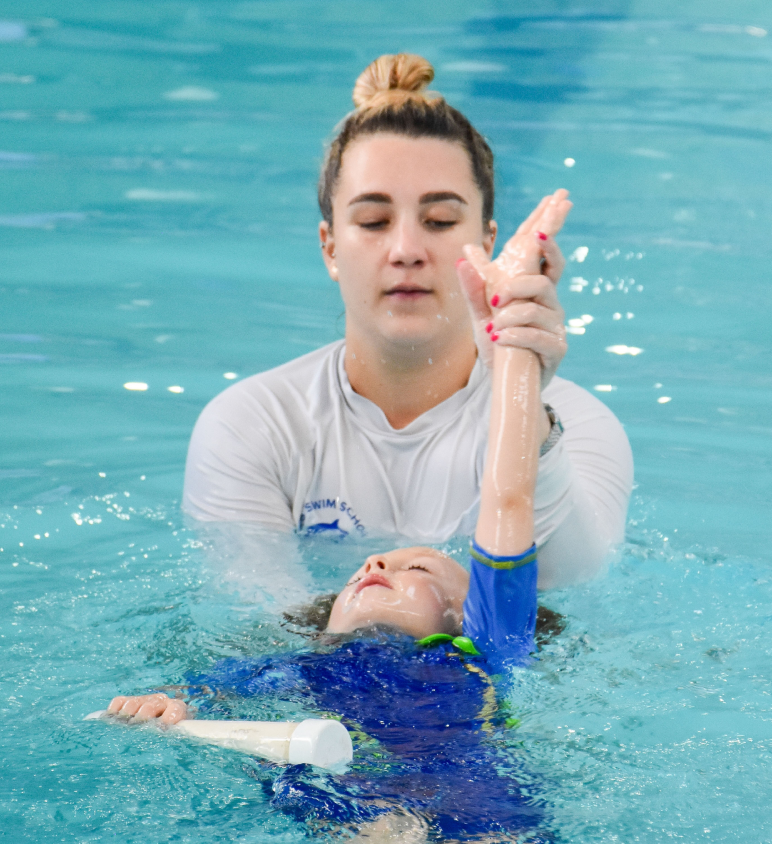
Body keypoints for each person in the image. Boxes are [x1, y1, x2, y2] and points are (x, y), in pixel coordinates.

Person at [106, 196, 568, 842]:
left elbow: (509, 496)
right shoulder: (296, 666)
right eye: (375, 563)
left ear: (467, 609)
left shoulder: (486, 647)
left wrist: (512, 349)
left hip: (480, 810)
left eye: (420, 568)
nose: (377, 562)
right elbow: (204, 697)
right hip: (345, 803)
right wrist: (167, 706)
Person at [183, 53, 633, 589]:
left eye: (439, 221)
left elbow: (569, 600)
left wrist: (518, 385)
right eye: (373, 221)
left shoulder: (579, 428)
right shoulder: (255, 427)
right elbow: (258, 630)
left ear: (487, 244)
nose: (406, 250)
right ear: (329, 248)